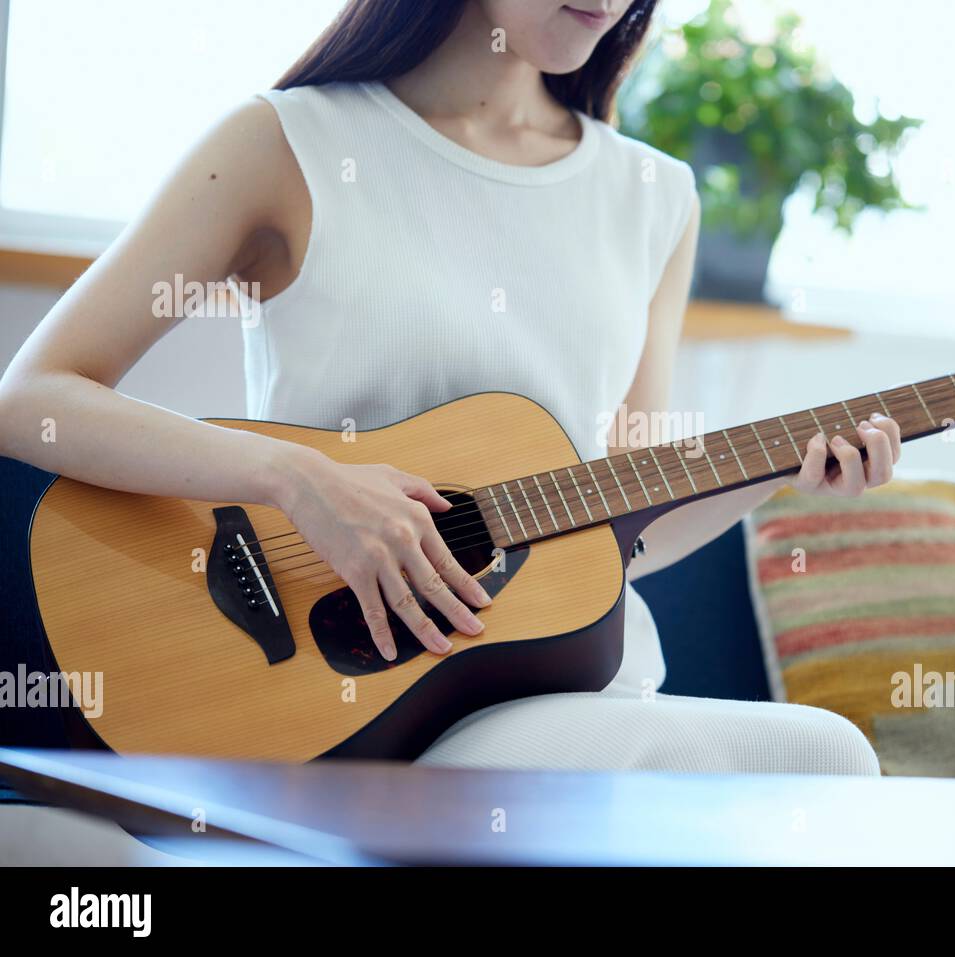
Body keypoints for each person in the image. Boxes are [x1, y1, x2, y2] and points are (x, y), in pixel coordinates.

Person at [0, 0, 901, 774]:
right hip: (345, 692)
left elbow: (623, 529)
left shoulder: (653, 196)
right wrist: (294, 477)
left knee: (828, 753)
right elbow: (32, 397)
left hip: (567, 690)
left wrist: (781, 467)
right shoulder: (286, 143)